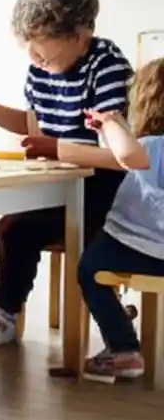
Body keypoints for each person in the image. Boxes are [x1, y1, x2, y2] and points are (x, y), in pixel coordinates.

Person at [0, 0, 134, 347]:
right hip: (60, 180)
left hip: (106, 184)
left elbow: (120, 154)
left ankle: (3, 311)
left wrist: (58, 149)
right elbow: (34, 126)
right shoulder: (40, 70)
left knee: (15, 229)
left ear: (78, 37)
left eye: (42, 50)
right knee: (10, 223)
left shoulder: (107, 65)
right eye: (29, 50)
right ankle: (9, 311)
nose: (35, 59)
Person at [77, 59, 164, 379]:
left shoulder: (148, 146)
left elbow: (127, 157)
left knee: (89, 269)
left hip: (137, 245)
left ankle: (123, 346)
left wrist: (111, 122)